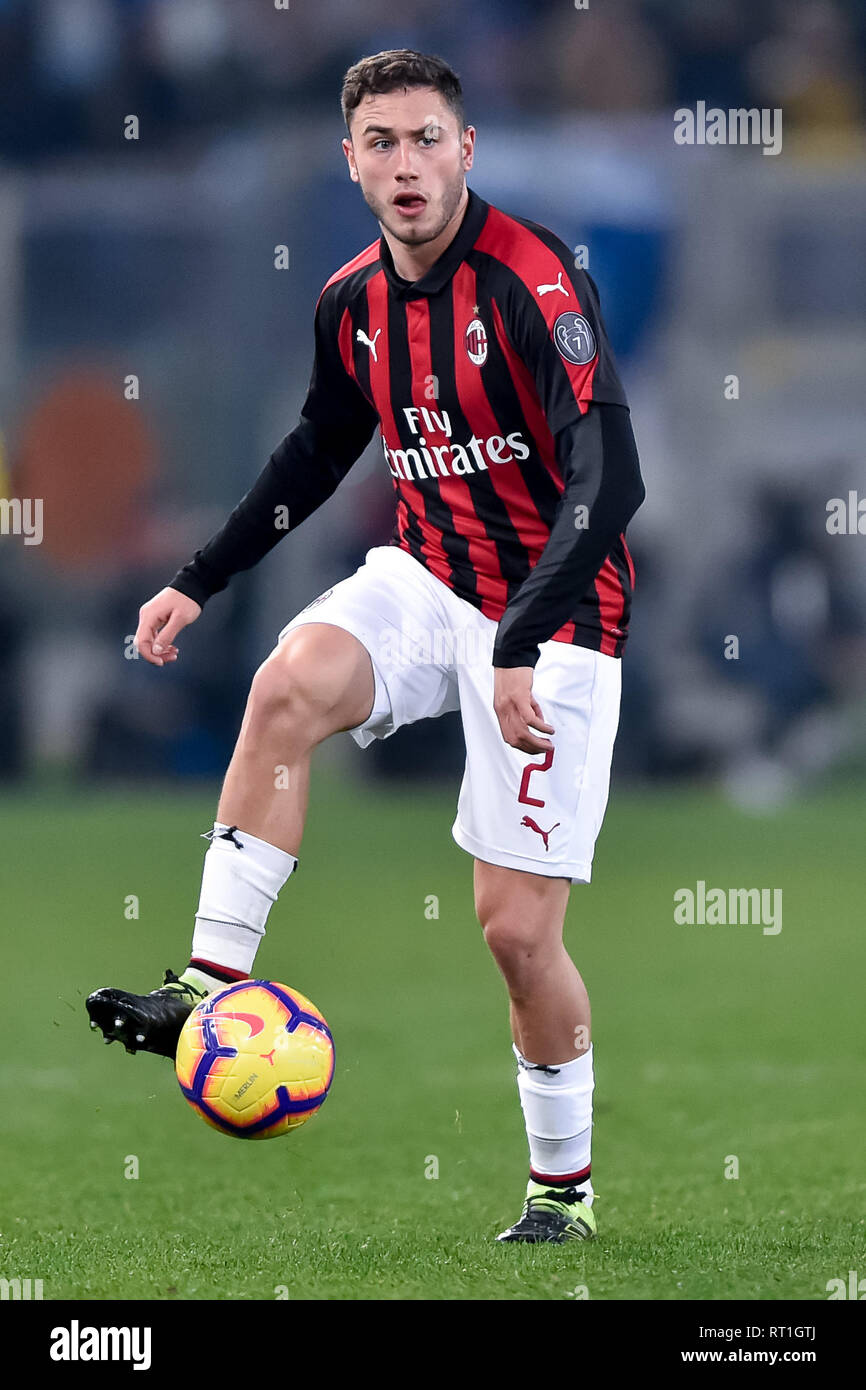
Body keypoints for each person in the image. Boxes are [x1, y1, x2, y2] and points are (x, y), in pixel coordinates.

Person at [87, 49, 645, 1244]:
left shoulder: (534, 284)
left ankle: (561, 1193)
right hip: (425, 577)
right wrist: (200, 577)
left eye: (425, 139)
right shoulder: (350, 301)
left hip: (557, 611)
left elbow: (612, 481)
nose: (405, 164)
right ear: (350, 162)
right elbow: (317, 450)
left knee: (513, 933)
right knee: (285, 684)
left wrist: (520, 640)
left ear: (466, 150)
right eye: (379, 144)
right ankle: (205, 988)